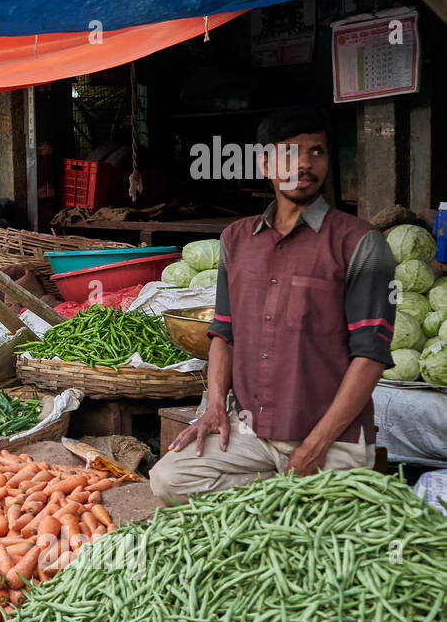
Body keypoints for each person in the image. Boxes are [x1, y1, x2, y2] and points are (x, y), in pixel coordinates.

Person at [149, 106, 397, 504]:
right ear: (265, 163)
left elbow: (370, 356)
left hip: (331, 437)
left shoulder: (362, 243)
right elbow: (223, 334)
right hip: (249, 434)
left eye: (317, 152)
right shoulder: (236, 239)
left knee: (322, 548)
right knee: (169, 480)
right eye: (289, 153)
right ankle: (281, 495)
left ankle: (289, 498)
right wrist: (214, 407)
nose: (304, 163)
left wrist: (314, 448)